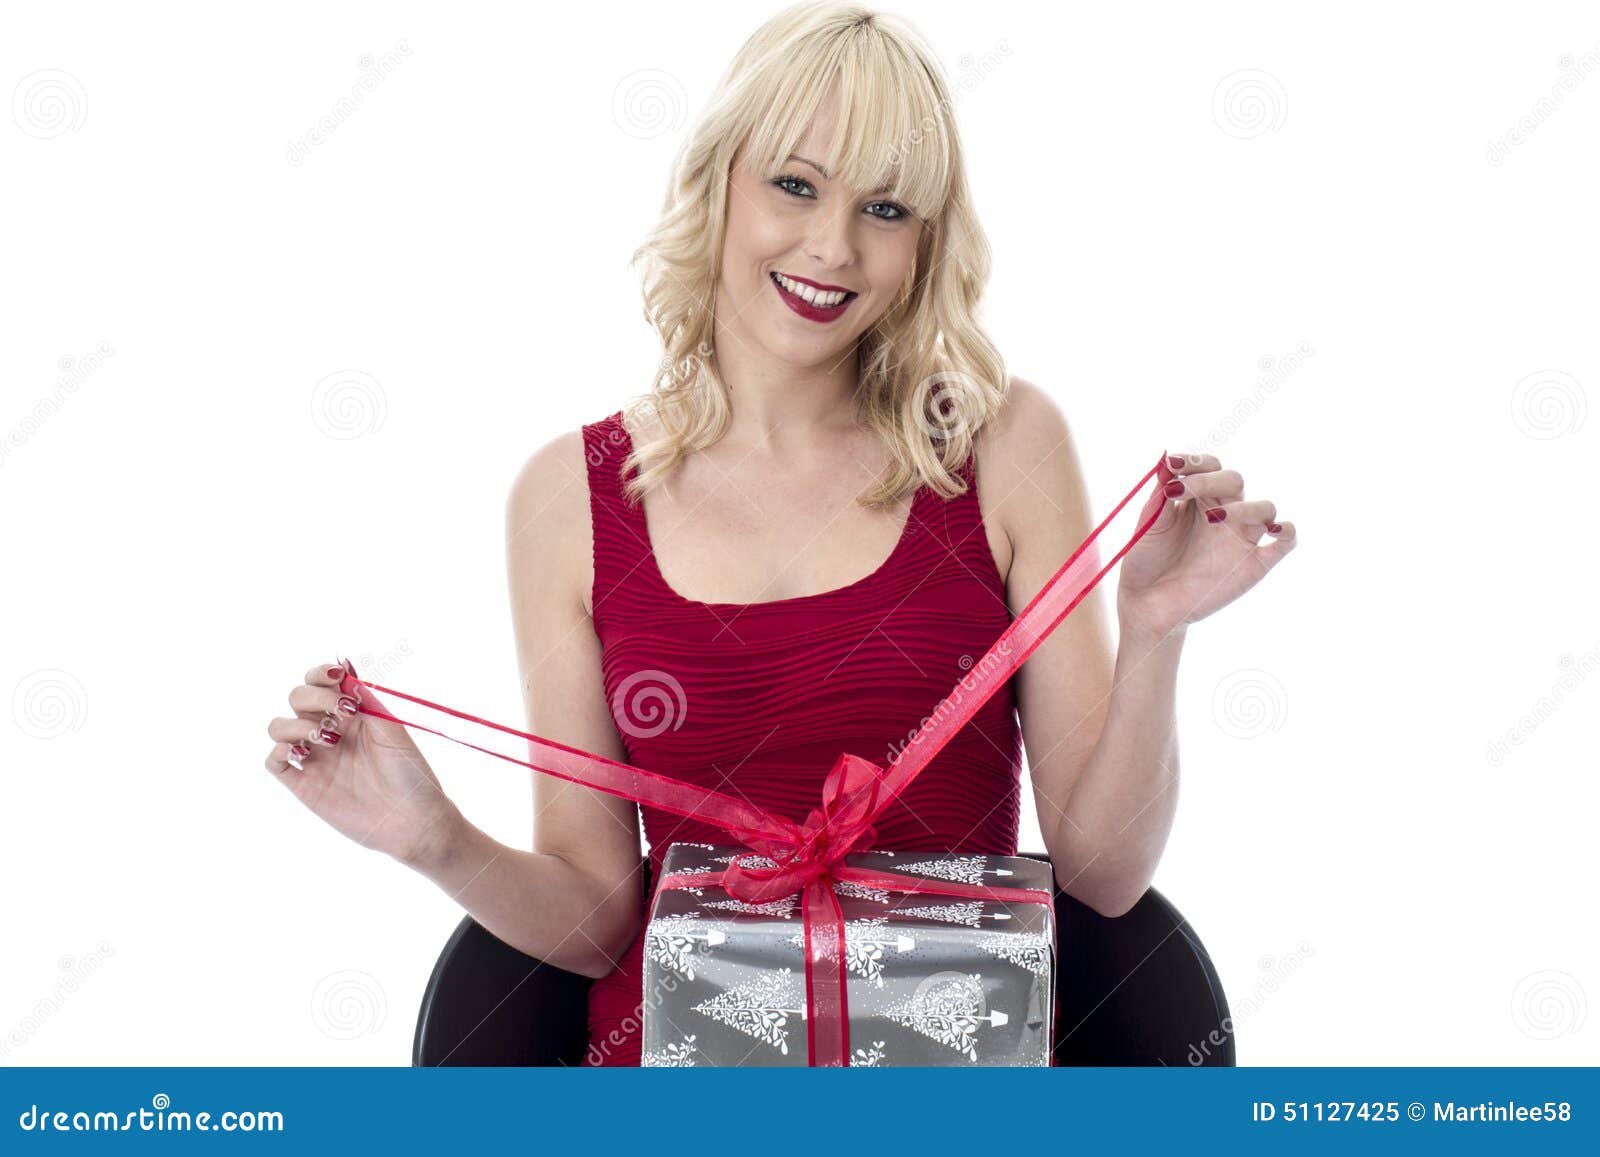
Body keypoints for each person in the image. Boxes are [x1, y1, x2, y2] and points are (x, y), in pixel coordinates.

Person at [263, 0, 1296, 1067]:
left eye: (885, 208)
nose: (832, 246)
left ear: (923, 242)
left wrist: (1157, 627)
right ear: (717, 183)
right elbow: (595, 915)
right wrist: (437, 840)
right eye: (793, 185)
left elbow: (1103, 876)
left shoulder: (1000, 444)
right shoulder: (565, 498)